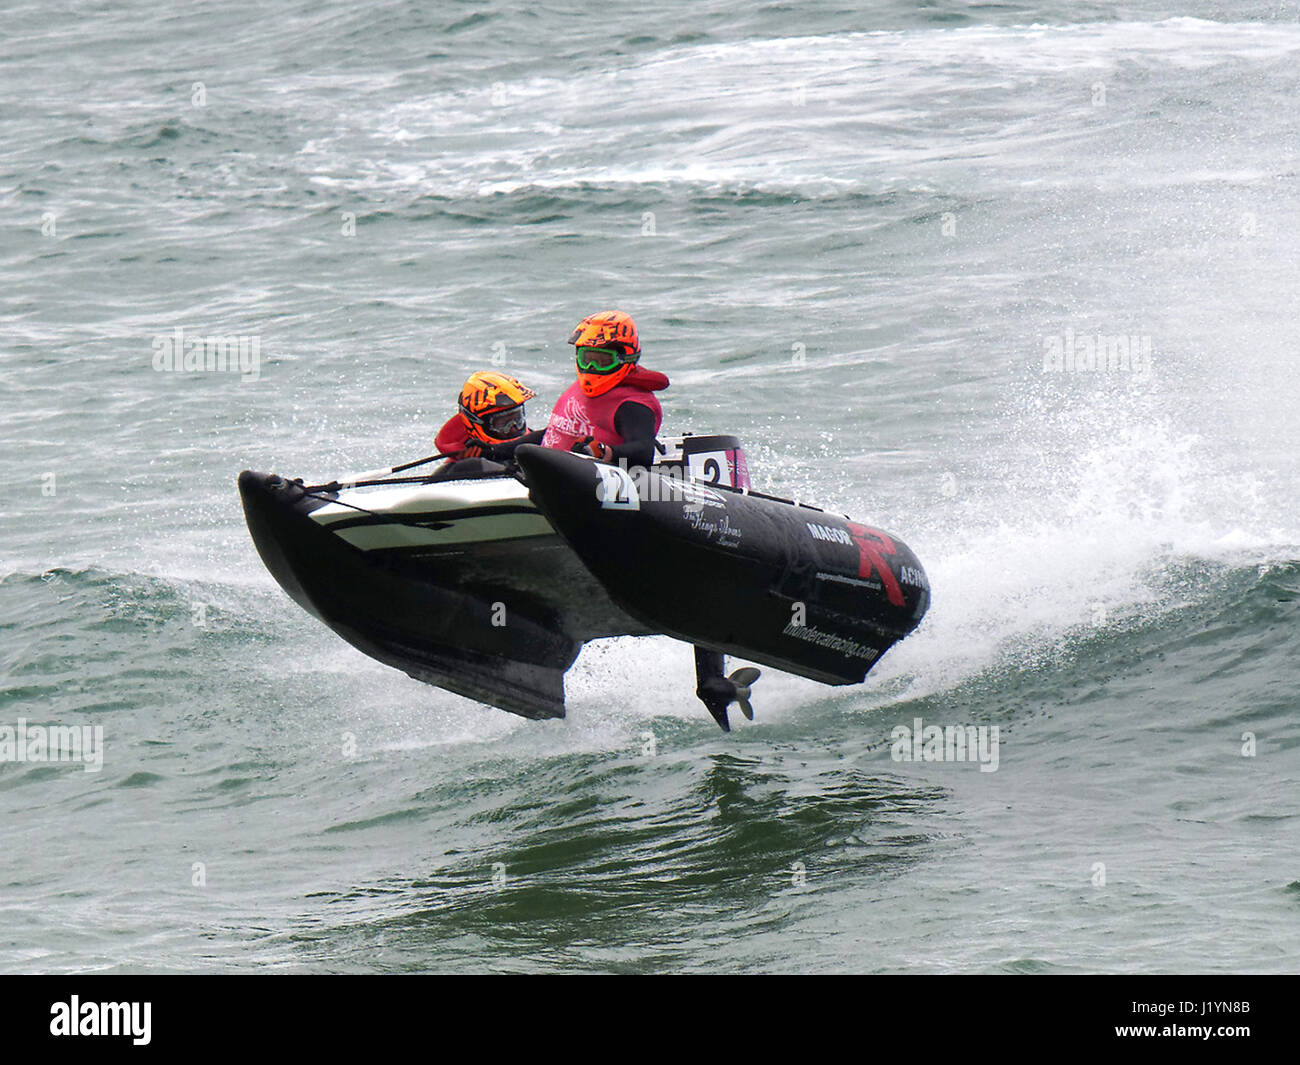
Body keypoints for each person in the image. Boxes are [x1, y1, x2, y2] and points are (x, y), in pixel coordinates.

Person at [540, 310, 668, 469]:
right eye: (587, 359)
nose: (592, 368)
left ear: (624, 359)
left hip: (594, 479)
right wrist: (502, 450)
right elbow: (555, 432)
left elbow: (644, 451)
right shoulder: (580, 389)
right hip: (548, 468)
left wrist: (603, 452)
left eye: (603, 361)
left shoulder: (633, 404)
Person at [432, 371, 544, 475]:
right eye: (502, 424)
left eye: (517, 420)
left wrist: (494, 451)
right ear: (476, 423)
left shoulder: (541, 442)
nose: (514, 428)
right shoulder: (459, 468)